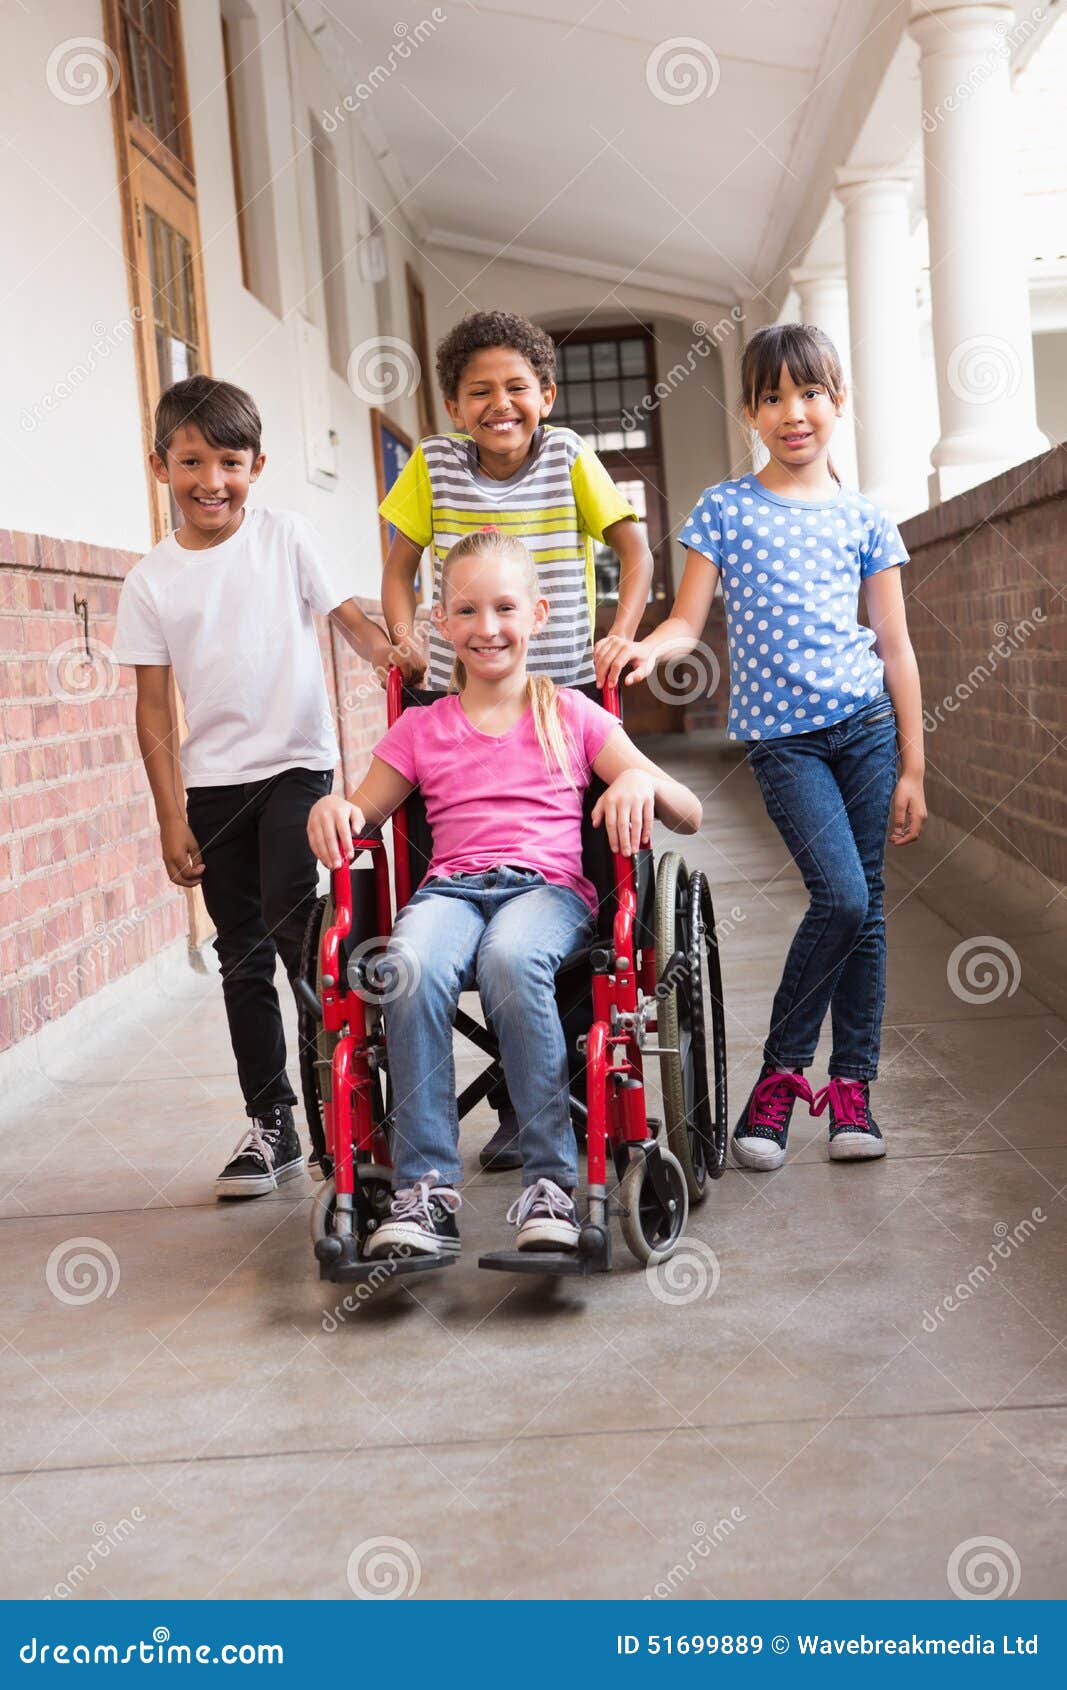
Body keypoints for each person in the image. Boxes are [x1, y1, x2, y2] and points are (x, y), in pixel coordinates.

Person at [307, 529, 701, 1257]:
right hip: (450, 894)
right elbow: (361, 815)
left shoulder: (571, 713)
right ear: (441, 622)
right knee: (407, 965)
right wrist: (333, 809)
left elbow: (689, 811)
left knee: (509, 959)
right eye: (466, 611)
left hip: (545, 892)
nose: (486, 627)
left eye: (504, 608)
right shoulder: (420, 728)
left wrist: (639, 782)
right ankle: (425, 1193)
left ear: (538, 615)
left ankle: (550, 1182)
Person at [601, 324, 927, 1171]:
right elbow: (685, 619)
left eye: (810, 393)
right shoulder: (724, 509)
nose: (793, 413)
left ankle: (851, 1092)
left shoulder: (864, 518)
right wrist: (645, 648)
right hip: (785, 745)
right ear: (749, 412)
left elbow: (894, 646)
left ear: (838, 402)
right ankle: (779, 1076)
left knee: (866, 911)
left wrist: (914, 766)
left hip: (866, 730)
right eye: (773, 398)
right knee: (841, 899)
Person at [114, 374, 417, 1200]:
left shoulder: (286, 535)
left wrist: (387, 652)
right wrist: (170, 816)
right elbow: (152, 711)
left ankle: (343, 1106)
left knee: (293, 923)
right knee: (239, 954)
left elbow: (348, 620)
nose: (211, 480)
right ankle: (272, 1121)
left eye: (230, 462)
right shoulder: (150, 580)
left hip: (295, 768)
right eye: (191, 461)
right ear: (159, 465)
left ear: (257, 466)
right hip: (213, 786)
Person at [380, 308, 655, 1171]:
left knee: (562, 899)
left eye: (516, 388)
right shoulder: (432, 464)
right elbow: (398, 571)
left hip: (561, 688)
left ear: (546, 394)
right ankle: (511, 1108)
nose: (499, 404)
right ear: (453, 406)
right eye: (479, 392)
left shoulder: (568, 456)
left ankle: (566, 1098)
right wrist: (406, 639)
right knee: (459, 883)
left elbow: (634, 552)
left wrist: (621, 632)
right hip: (456, 689)